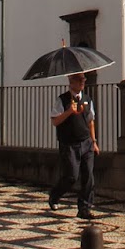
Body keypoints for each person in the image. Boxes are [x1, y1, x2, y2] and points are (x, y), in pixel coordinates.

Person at [47, 71, 98, 219]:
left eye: (83, 79)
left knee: (88, 176)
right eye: (79, 79)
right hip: (69, 144)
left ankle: (84, 208)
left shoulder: (87, 99)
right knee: (71, 176)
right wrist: (69, 111)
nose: (82, 82)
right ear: (71, 81)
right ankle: (55, 195)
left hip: (86, 142)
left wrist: (94, 142)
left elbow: (91, 121)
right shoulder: (62, 100)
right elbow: (55, 121)